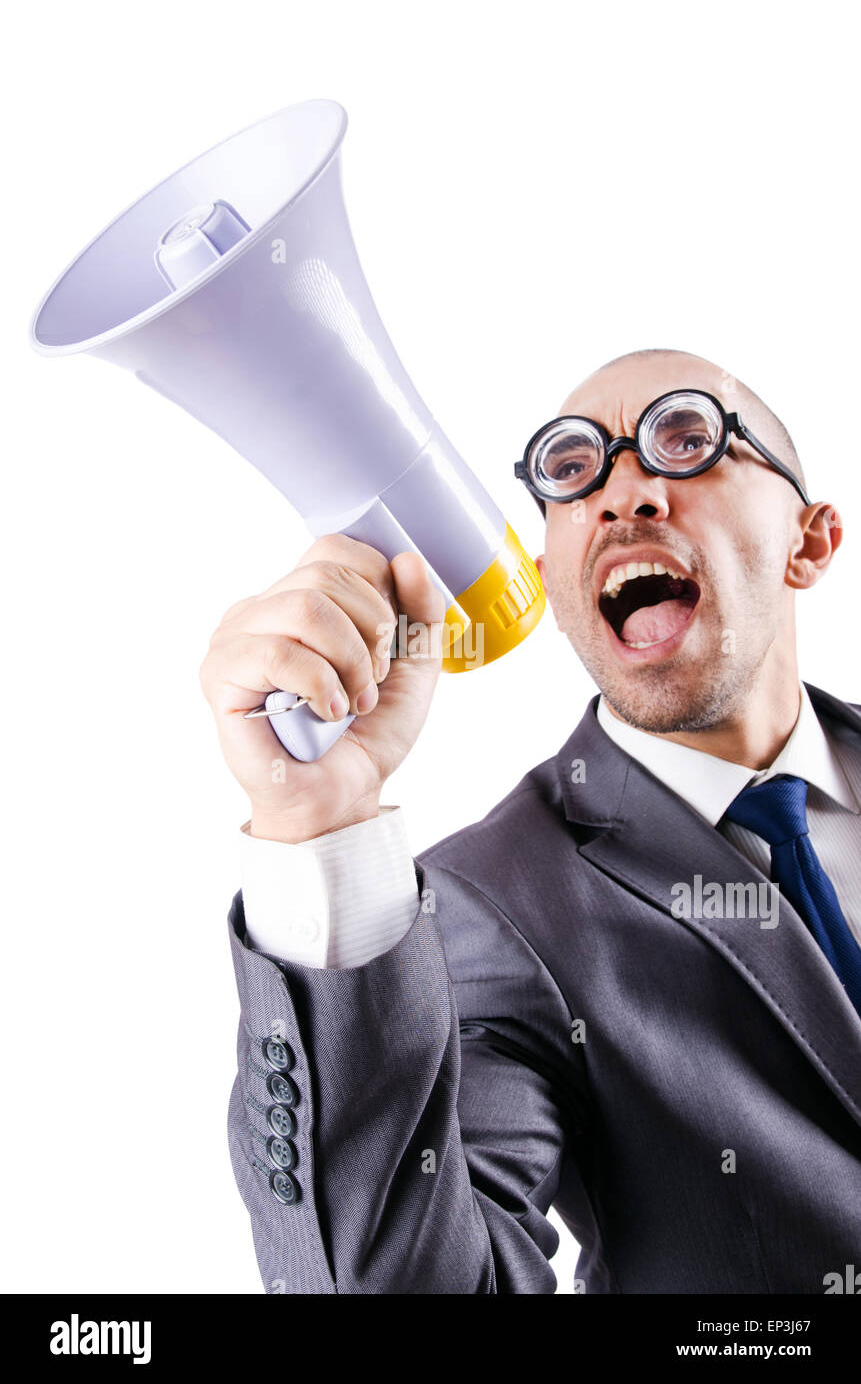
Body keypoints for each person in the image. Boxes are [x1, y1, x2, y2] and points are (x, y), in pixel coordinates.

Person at [200, 348, 861, 1294]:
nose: (622, 493)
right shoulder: (493, 904)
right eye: (570, 469)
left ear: (810, 541)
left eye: (685, 438)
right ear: (550, 581)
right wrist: (321, 822)